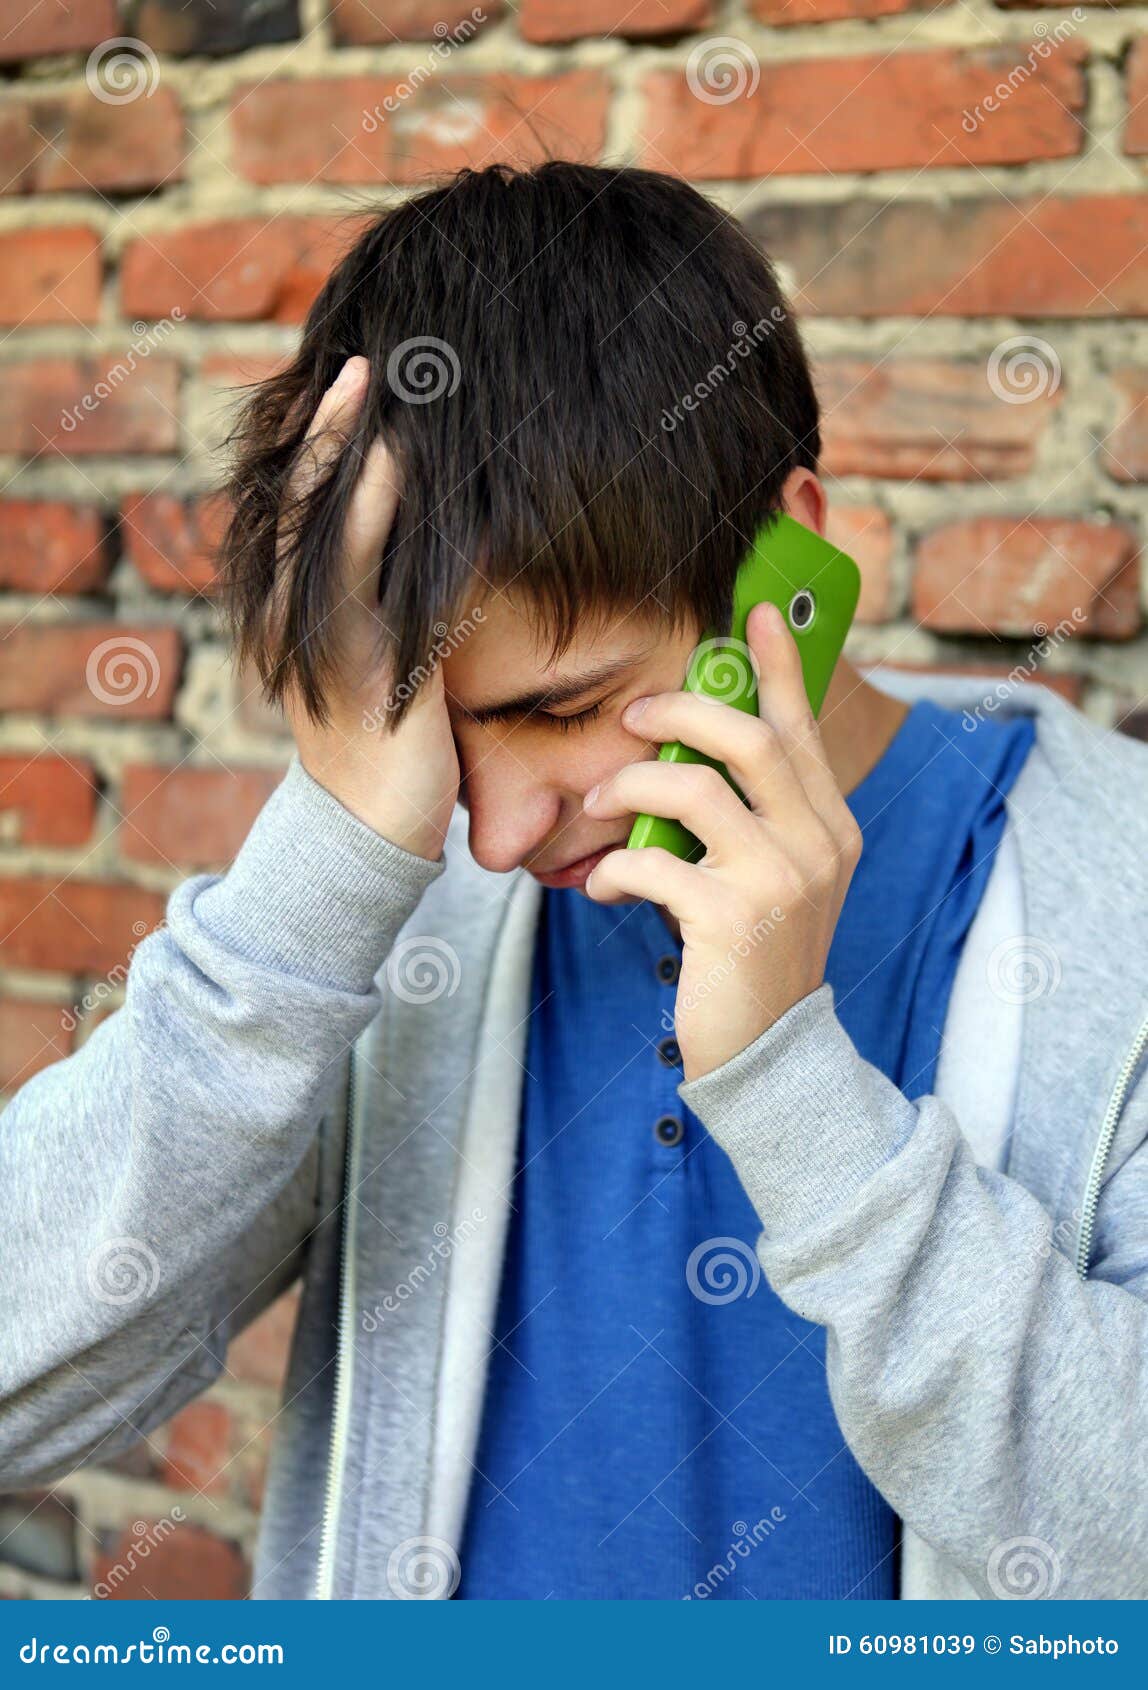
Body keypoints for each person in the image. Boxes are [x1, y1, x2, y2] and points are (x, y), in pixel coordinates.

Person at [2, 161, 1147, 1602]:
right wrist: (314, 888)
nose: (494, 837)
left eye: (561, 709)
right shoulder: (393, 904)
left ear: (787, 560)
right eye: (429, 731)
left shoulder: (1115, 886)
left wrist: (799, 1095)